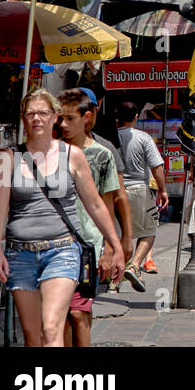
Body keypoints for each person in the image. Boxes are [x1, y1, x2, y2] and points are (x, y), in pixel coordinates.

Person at [0, 90, 124, 347]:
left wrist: (115, 245)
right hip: (20, 254)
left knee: (52, 329)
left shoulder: (72, 155)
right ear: (23, 119)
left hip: (61, 251)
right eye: (30, 114)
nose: (36, 118)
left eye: (43, 113)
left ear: (54, 117)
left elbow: (95, 204)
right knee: (33, 336)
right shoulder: (9, 159)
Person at [55, 90, 123, 346]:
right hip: (55, 245)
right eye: (59, 118)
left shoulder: (102, 155)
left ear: (86, 117)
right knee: (59, 315)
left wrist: (110, 248)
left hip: (88, 247)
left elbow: (107, 204)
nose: (62, 124)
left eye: (69, 118)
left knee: (78, 311)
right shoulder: (48, 153)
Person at [78, 89, 133, 287]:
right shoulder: (54, 149)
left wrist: (125, 238)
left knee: (80, 307)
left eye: (89, 110)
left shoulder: (105, 149)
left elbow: (118, 196)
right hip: (60, 241)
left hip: (93, 241)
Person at [117, 101, 169, 290]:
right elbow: (157, 167)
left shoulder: (108, 138)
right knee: (149, 231)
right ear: (136, 117)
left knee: (118, 234)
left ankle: (115, 277)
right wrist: (163, 190)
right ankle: (134, 265)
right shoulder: (143, 138)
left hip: (114, 190)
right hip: (139, 190)